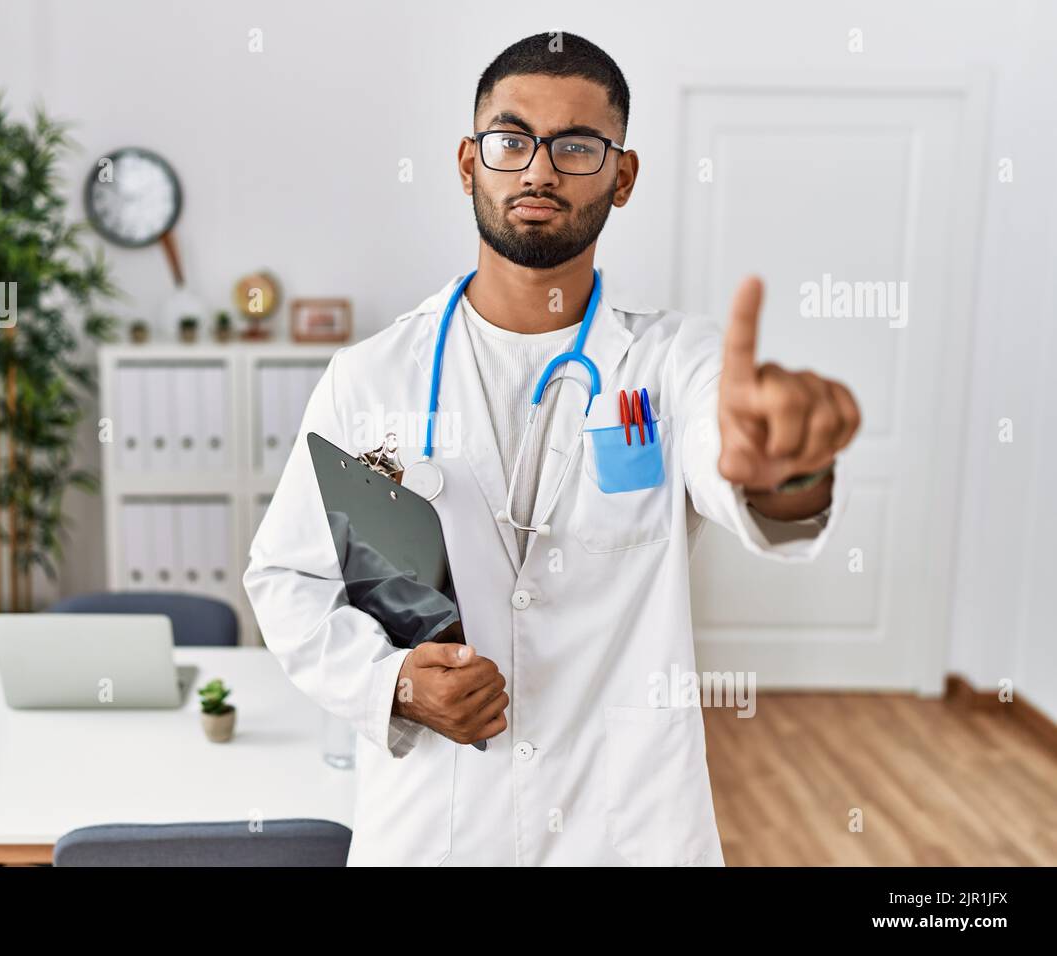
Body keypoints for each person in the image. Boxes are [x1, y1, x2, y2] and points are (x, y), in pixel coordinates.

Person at [244, 32, 860, 866]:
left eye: (577, 146)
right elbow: (287, 578)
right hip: (439, 823)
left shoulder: (675, 362)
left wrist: (791, 470)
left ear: (623, 175)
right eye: (511, 140)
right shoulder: (371, 376)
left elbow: (740, 467)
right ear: (469, 162)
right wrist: (393, 686)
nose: (538, 170)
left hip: (629, 826)